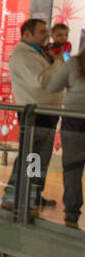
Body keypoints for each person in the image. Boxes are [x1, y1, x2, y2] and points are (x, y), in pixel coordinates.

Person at [2, 18, 62, 209]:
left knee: (40, 160)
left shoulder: (40, 54)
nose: (47, 36)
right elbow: (41, 81)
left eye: (47, 31)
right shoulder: (21, 55)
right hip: (34, 113)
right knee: (30, 157)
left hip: (48, 112)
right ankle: (11, 196)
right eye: (42, 32)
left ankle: (33, 195)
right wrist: (59, 62)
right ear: (27, 34)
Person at [44, 52, 85, 228]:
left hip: (74, 120)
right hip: (74, 120)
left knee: (72, 168)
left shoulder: (74, 63)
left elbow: (53, 86)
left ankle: (72, 213)